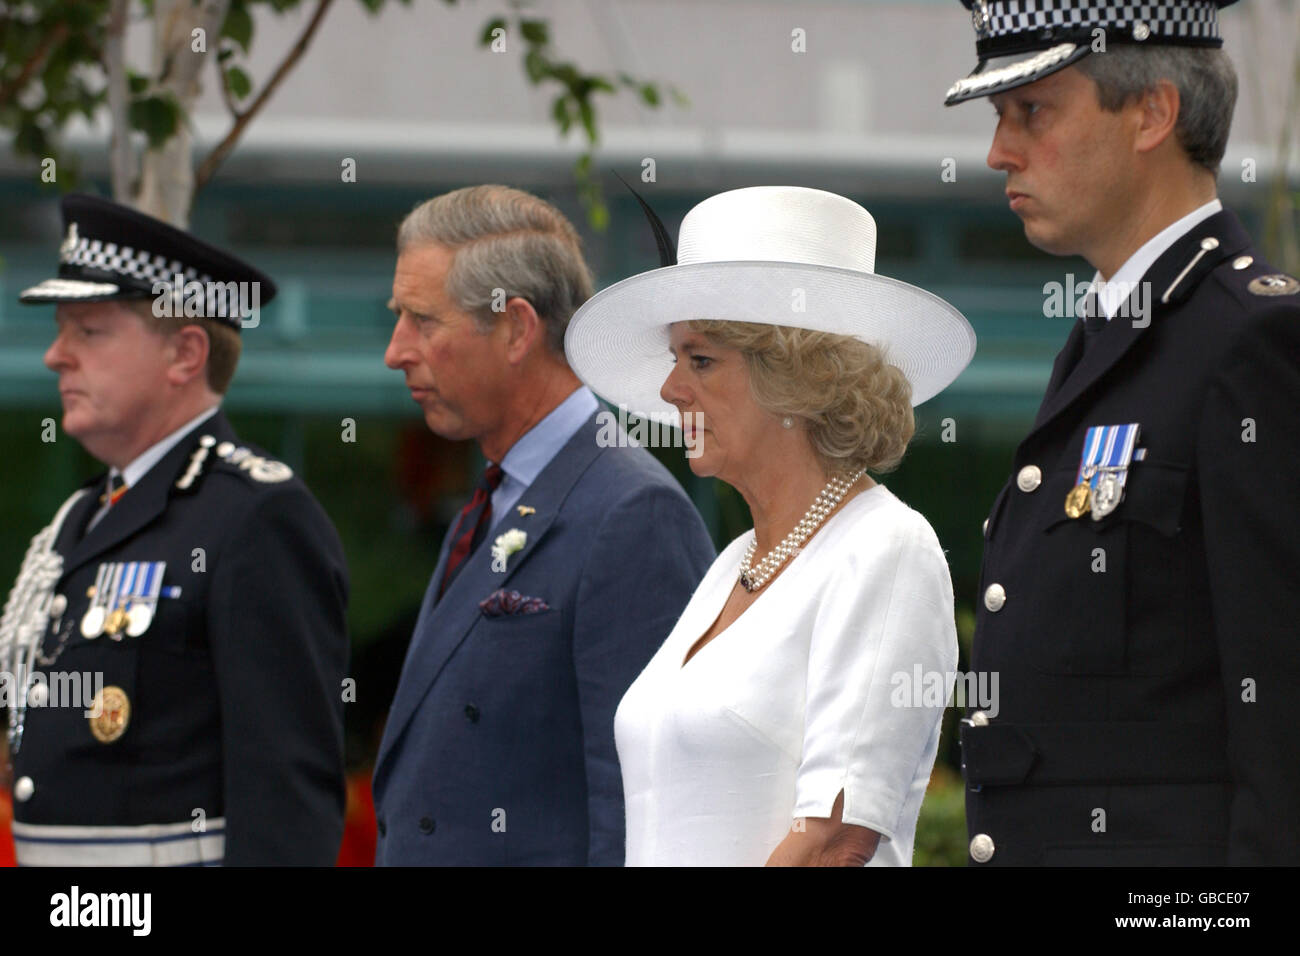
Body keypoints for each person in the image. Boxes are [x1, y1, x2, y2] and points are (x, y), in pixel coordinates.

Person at [946, 0, 1300, 864]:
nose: (1000, 151)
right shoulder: (1116, 334)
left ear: (1154, 113)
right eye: (1000, 118)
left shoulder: (1252, 340)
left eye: (1033, 111)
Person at [565, 185, 976, 865]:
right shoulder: (735, 562)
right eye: (676, 360)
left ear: (798, 377)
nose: (670, 390)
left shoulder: (886, 549)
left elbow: (835, 843)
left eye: (699, 360)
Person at [1, 194, 349, 865]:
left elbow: (285, 800)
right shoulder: (81, 516)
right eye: (60, 330)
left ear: (185, 353)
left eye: (89, 331)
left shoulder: (255, 517)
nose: (55, 356)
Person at [372, 185, 715, 866]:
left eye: (422, 320)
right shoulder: (495, 496)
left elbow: (640, 810)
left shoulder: (633, 513)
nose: (396, 350)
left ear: (516, 329)